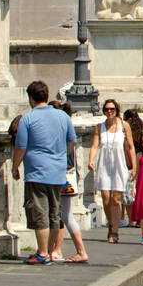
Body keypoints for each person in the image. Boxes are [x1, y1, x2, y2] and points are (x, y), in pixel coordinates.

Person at [14, 80, 78, 263]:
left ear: (31, 98)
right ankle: (49, 252)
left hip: (37, 170)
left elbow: (21, 147)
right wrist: (62, 157)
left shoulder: (28, 118)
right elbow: (72, 142)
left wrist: (15, 166)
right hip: (58, 172)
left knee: (39, 211)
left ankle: (42, 253)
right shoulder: (63, 117)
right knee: (54, 213)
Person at [47, 100, 89, 264]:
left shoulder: (60, 131)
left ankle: (79, 250)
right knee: (64, 215)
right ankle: (57, 249)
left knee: (63, 215)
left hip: (64, 176)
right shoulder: (66, 128)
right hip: (69, 175)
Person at [87, 97, 134, 243]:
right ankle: (111, 223)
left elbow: (131, 147)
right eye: (107, 109)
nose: (109, 111)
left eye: (112, 109)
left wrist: (133, 167)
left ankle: (115, 230)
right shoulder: (99, 127)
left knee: (116, 198)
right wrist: (91, 160)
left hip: (119, 164)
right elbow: (95, 146)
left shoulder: (124, 126)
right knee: (106, 198)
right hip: (105, 164)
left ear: (117, 110)